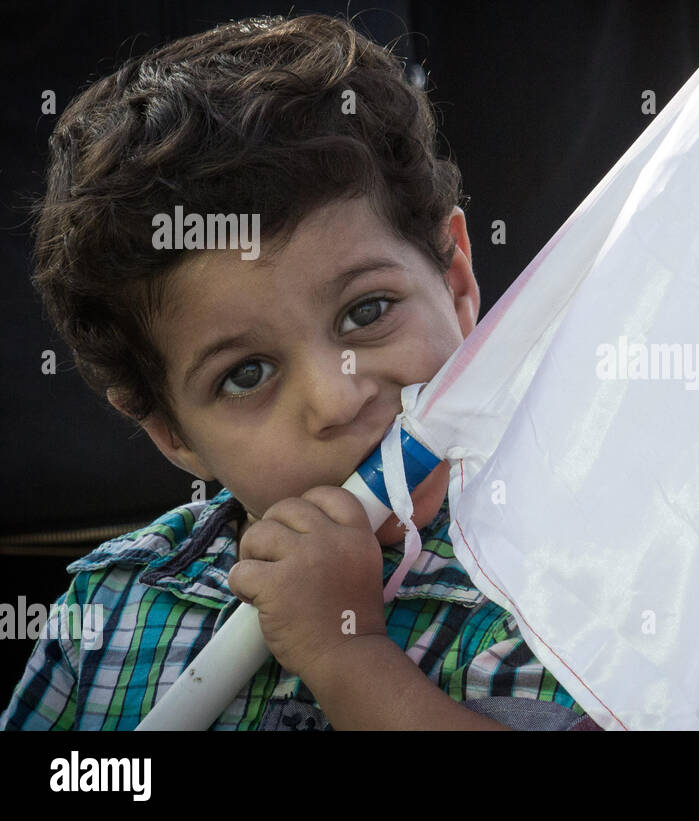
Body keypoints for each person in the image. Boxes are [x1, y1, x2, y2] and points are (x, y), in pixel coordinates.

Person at [2, 13, 595, 731]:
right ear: (169, 431)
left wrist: (351, 660)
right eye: (246, 373)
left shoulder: (574, 586)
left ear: (458, 282)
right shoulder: (111, 608)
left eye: (367, 309)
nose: (336, 397)